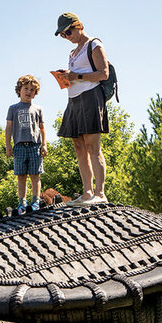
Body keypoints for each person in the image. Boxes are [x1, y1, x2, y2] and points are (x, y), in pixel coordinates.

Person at [53, 12, 110, 205]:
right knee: (79, 148)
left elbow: (103, 74)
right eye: (63, 35)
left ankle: (100, 194)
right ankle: (87, 192)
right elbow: (75, 75)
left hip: (91, 96)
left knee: (93, 146)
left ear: (78, 25)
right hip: (73, 100)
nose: (66, 37)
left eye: (68, 32)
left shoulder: (94, 44)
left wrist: (75, 76)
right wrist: (65, 77)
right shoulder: (72, 53)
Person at [5, 75, 48, 211]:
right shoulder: (13, 108)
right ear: (19, 90)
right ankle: (21, 202)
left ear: (35, 93)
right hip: (19, 146)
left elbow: (42, 128)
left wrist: (44, 145)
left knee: (35, 174)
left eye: (32, 90)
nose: (29, 92)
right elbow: (9, 127)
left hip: (35, 145)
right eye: (26, 88)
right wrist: (8, 145)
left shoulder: (38, 109)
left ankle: (35, 201)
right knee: (21, 175)